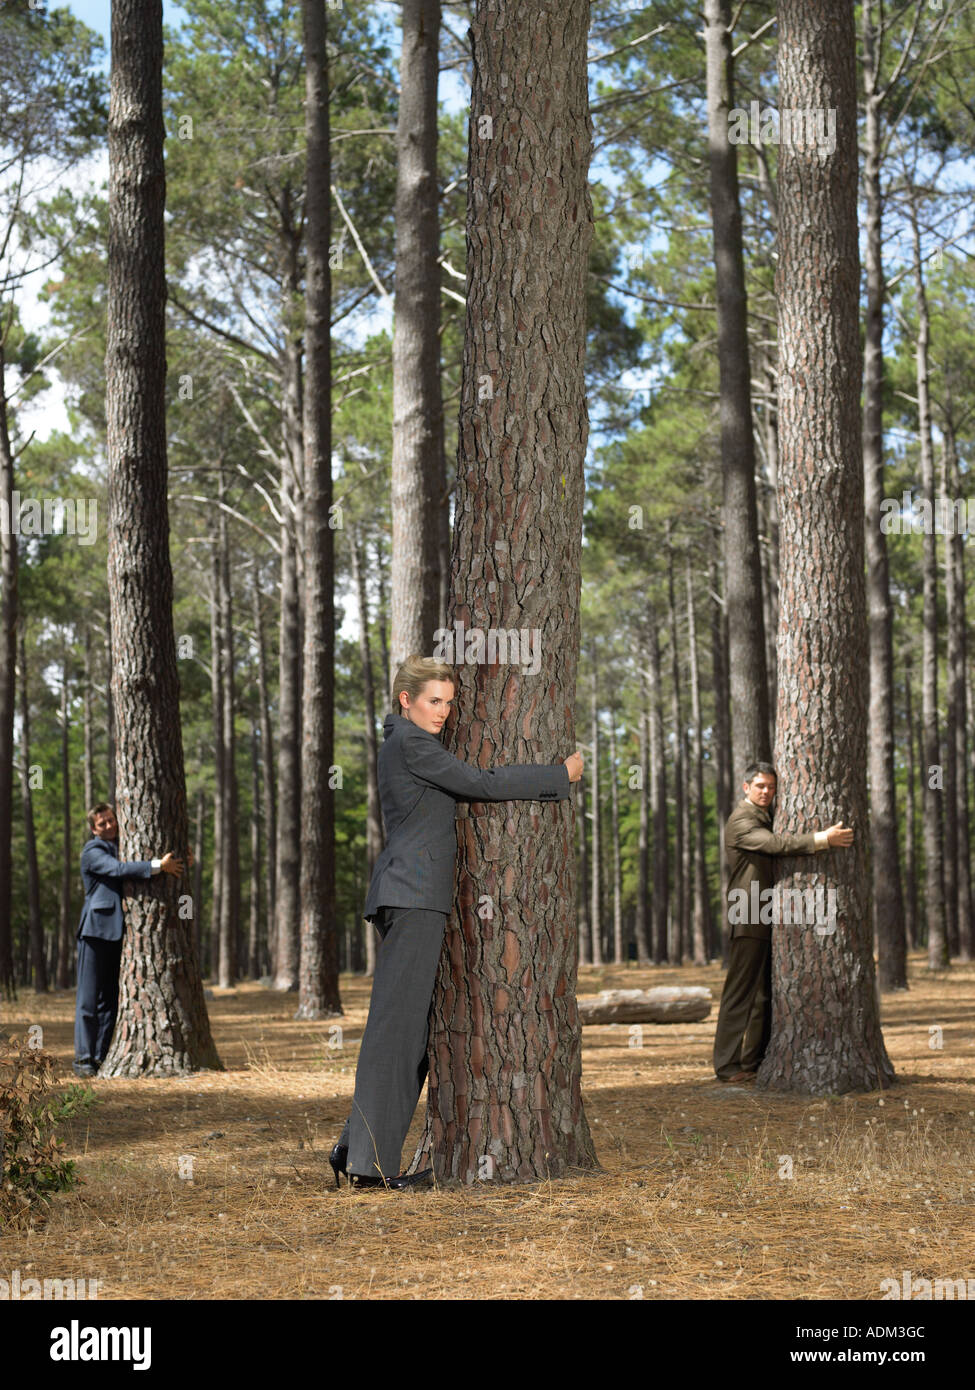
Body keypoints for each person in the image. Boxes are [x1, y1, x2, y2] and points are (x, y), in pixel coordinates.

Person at [331, 654, 584, 1191]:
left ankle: (356, 1148)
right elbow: (481, 781)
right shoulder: (413, 744)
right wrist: (557, 776)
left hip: (416, 896)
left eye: (449, 702)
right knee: (398, 1034)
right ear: (407, 700)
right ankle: (367, 1168)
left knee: (412, 1032)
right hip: (414, 896)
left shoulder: (408, 742)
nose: (444, 712)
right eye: (434, 701)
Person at [712, 761, 854, 1084]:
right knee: (740, 992)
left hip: (765, 913)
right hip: (747, 913)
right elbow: (777, 845)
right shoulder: (741, 821)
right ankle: (726, 1066)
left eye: (771, 787)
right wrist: (822, 839)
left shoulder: (764, 816)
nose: (766, 792)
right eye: (760, 786)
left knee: (763, 993)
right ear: (746, 787)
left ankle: (754, 1058)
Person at [73, 803, 185, 1077]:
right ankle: (83, 1060)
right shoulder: (93, 851)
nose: (109, 826)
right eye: (103, 824)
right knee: (88, 1001)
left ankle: (100, 1057)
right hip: (94, 932)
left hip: (118, 932)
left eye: (111, 820)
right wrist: (159, 865)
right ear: (93, 829)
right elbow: (120, 870)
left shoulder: (125, 844)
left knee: (110, 1000)